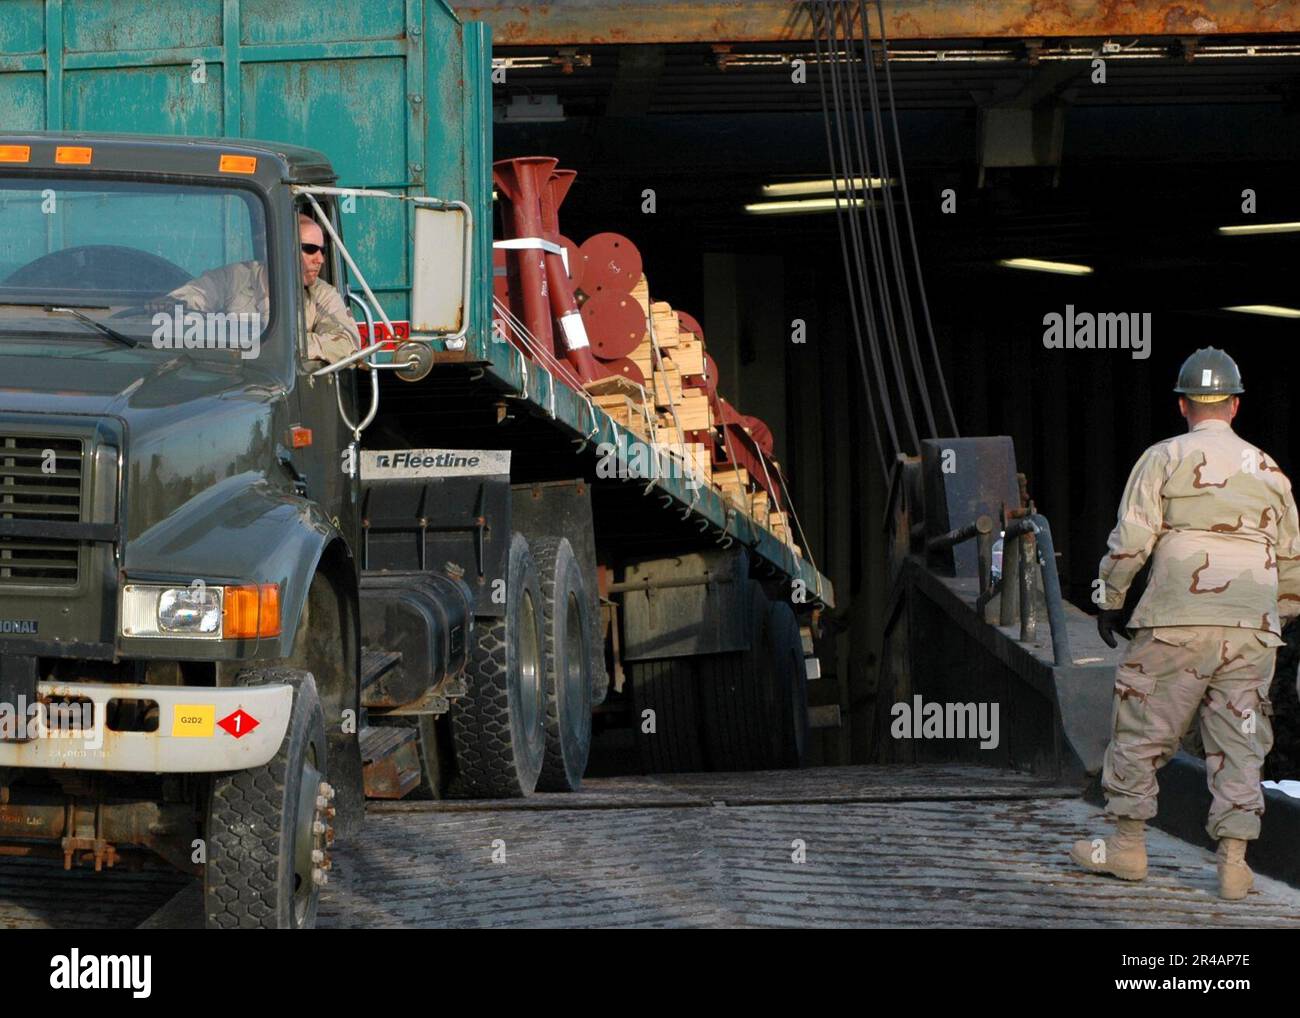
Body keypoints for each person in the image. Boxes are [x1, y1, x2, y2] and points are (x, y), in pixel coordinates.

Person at [1071, 346, 1300, 900]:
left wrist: (1109, 599)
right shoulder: (1269, 469)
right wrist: (1276, 621)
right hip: (1251, 624)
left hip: (1177, 617)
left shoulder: (1163, 457)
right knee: (1240, 737)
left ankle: (1126, 847)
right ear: (1235, 406)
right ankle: (1235, 864)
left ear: (1182, 405)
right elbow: (1291, 560)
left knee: (1143, 727)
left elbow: (1132, 539)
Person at [159, 213, 361, 365]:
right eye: (309, 249)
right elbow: (182, 302)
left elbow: (347, 341)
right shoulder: (236, 277)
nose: (320, 259)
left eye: (322, 250)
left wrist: (282, 344)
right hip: (229, 378)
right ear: (283, 246)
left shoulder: (322, 295)